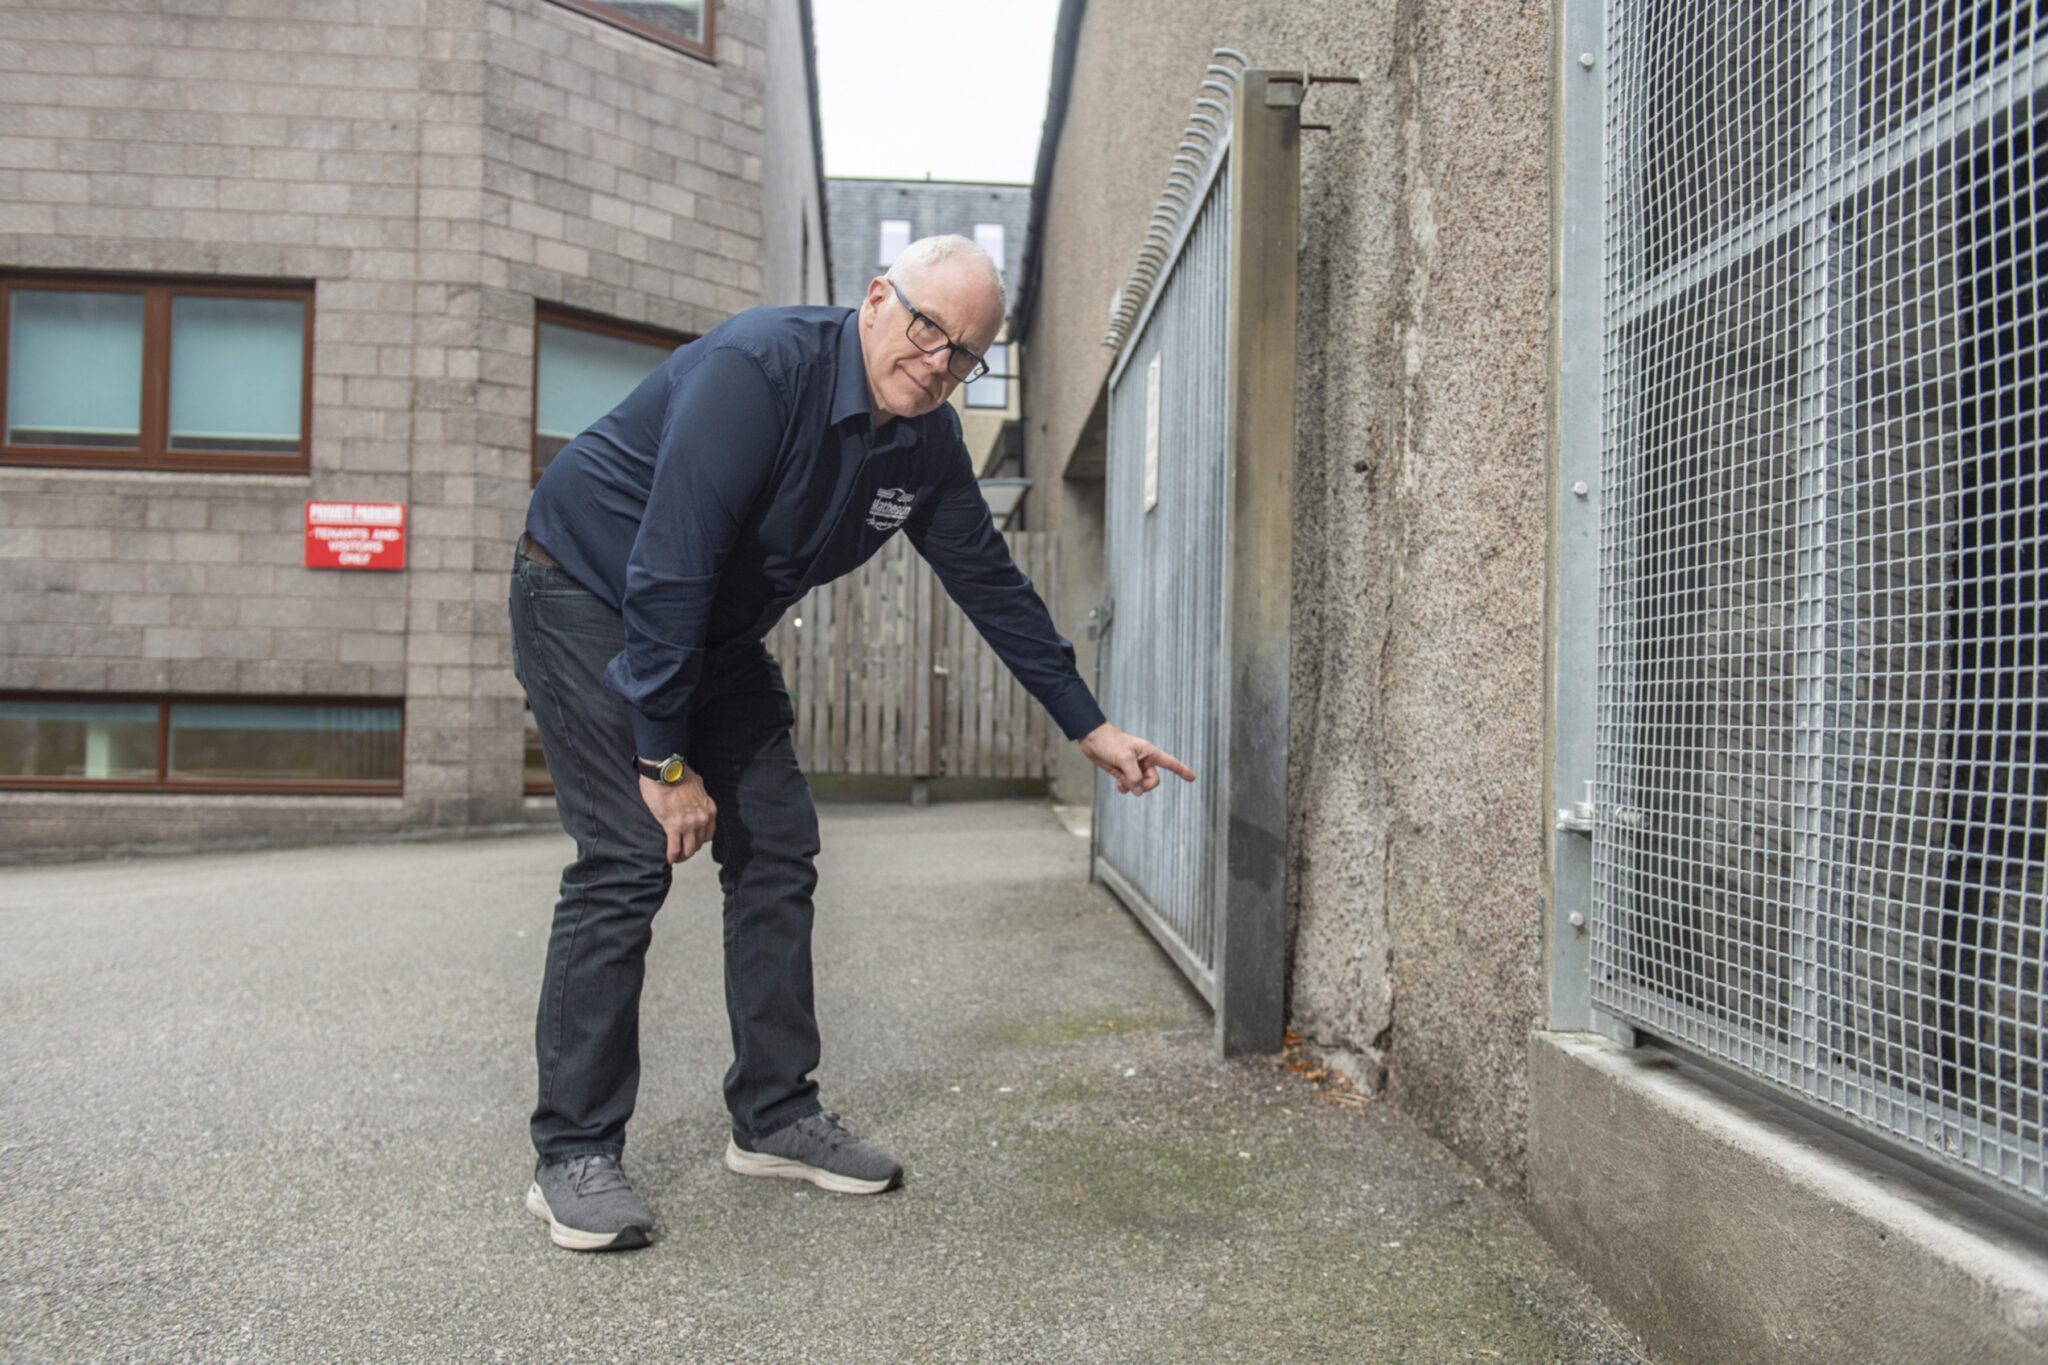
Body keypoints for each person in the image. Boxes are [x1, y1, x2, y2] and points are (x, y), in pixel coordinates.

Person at [508, 235, 1193, 1252]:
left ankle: (775, 1114)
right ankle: (573, 1150)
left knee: (778, 845)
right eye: (927, 329)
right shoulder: (759, 370)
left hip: (713, 631)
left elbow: (989, 584)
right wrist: (663, 761)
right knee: (623, 859)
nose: (939, 364)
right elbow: (669, 566)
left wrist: (1086, 726)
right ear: (876, 299)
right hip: (588, 590)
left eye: (966, 355)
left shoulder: (920, 444)